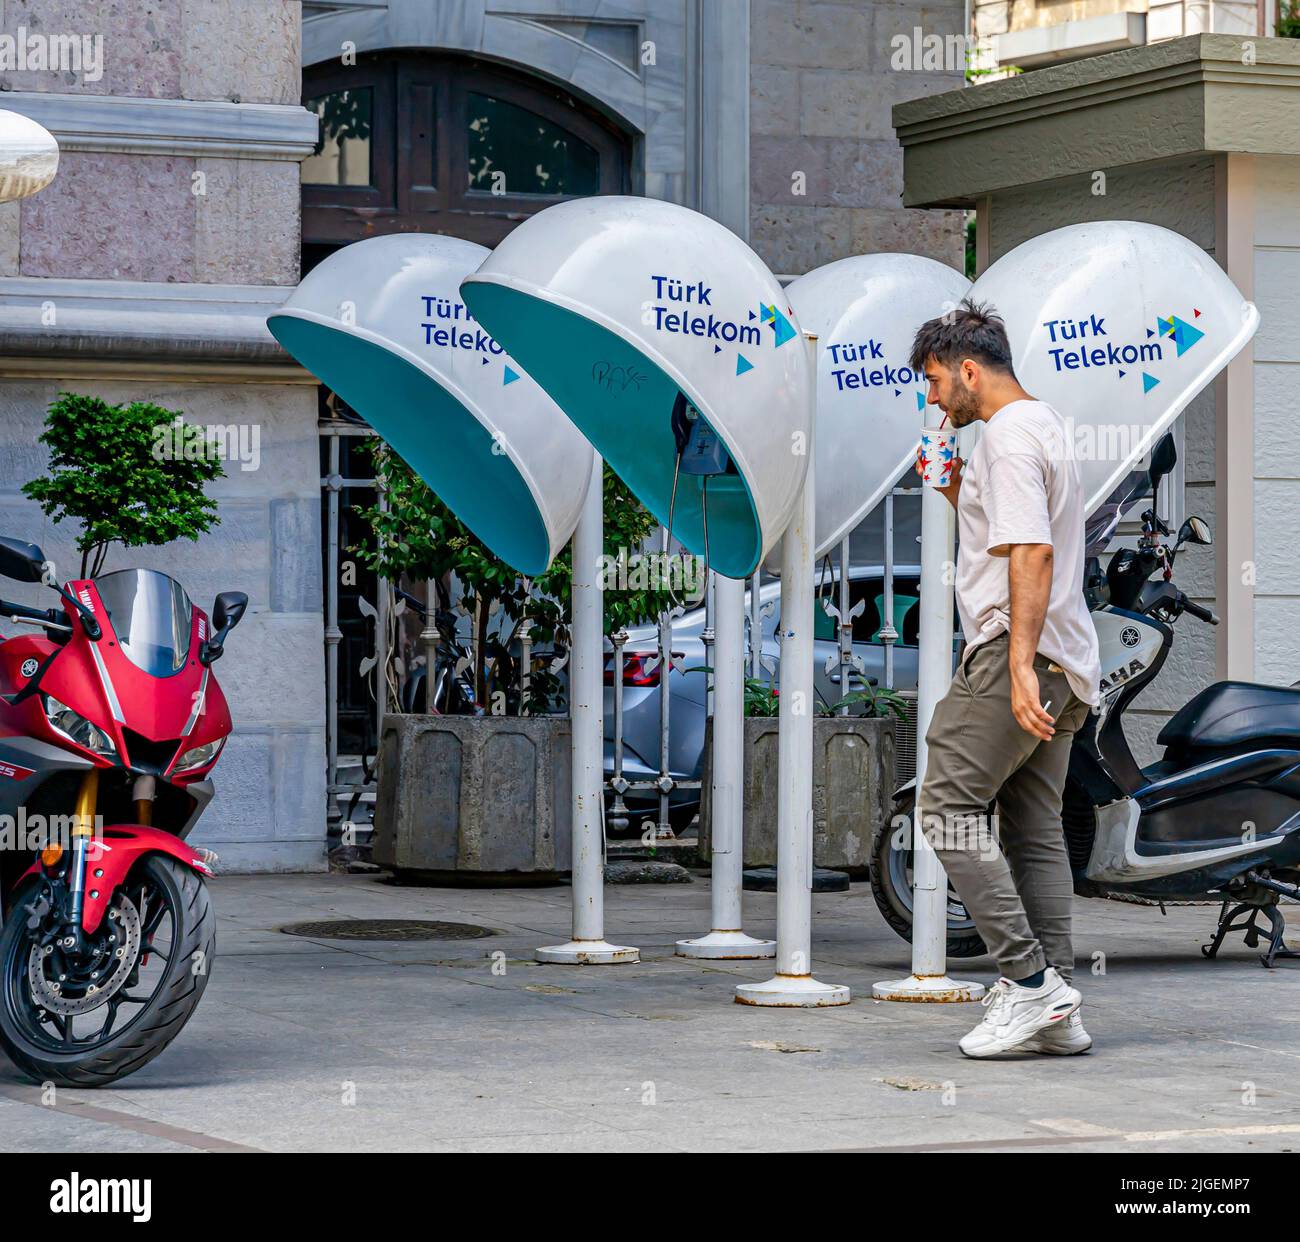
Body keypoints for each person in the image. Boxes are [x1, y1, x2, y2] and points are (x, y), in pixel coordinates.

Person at [909, 299, 1101, 1058]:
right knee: (1032, 825)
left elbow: (1032, 554)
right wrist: (955, 487)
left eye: (932, 381)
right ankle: (1057, 1003)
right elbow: (1009, 531)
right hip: (1067, 658)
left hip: (1020, 651)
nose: (931, 397)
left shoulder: (1011, 437)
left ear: (967, 369)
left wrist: (1017, 665)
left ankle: (1027, 987)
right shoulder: (1037, 426)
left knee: (945, 802)